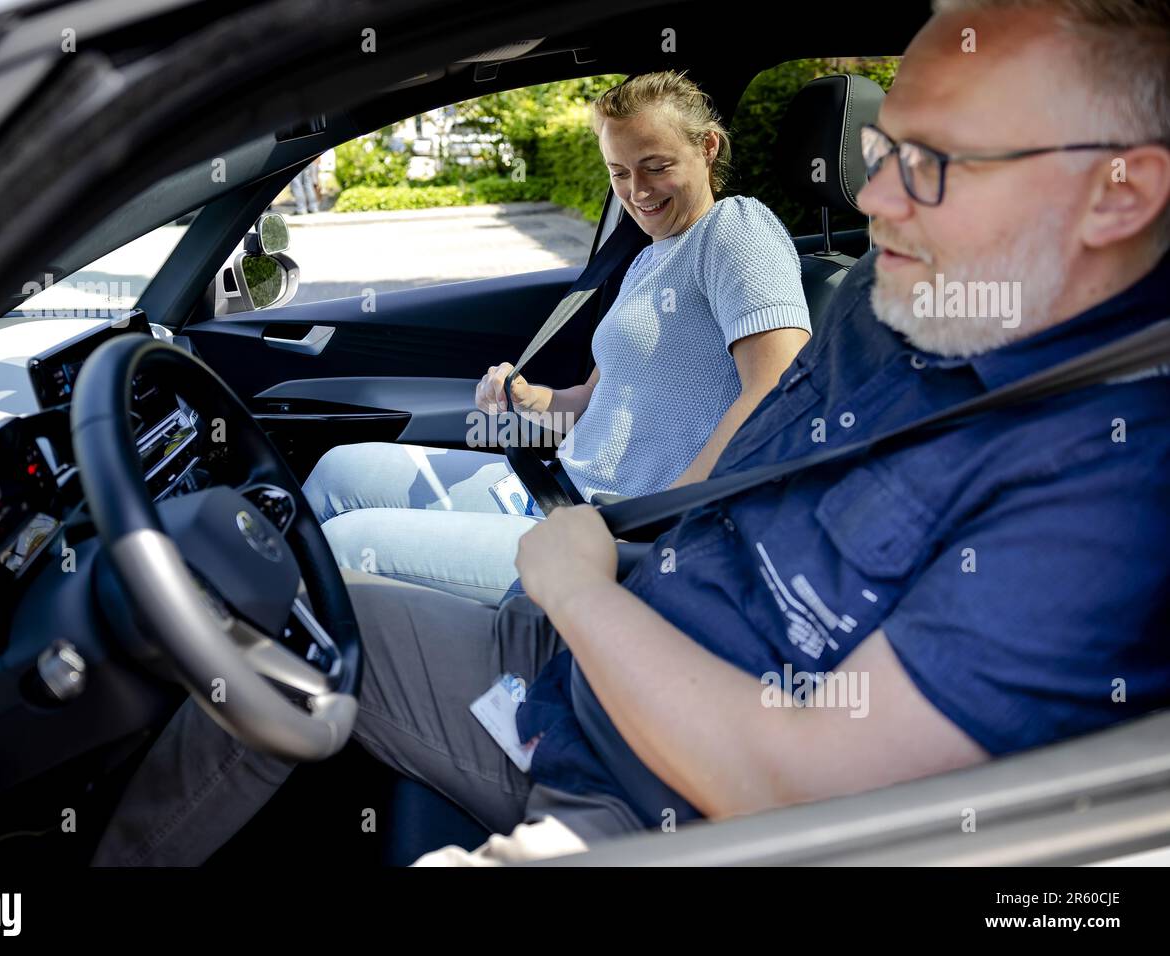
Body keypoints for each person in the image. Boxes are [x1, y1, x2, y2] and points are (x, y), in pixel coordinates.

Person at [92, 0, 1170, 867]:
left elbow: (792, 786)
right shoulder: (880, 309)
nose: (873, 195)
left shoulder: (1113, 486)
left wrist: (579, 578)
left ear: (1118, 194)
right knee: (304, 630)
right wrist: (553, 459)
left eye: (932, 164)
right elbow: (715, 473)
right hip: (585, 658)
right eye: (883, 149)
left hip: (670, 797)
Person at [301, 71, 812, 604]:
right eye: (618, 173)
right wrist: (528, 397)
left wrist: (670, 514)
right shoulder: (645, 261)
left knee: (345, 542)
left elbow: (777, 393)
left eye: (655, 167)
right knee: (339, 468)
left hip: (620, 533)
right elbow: (593, 401)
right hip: (555, 489)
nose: (636, 192)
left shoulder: (736, 229)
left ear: (707, 148)